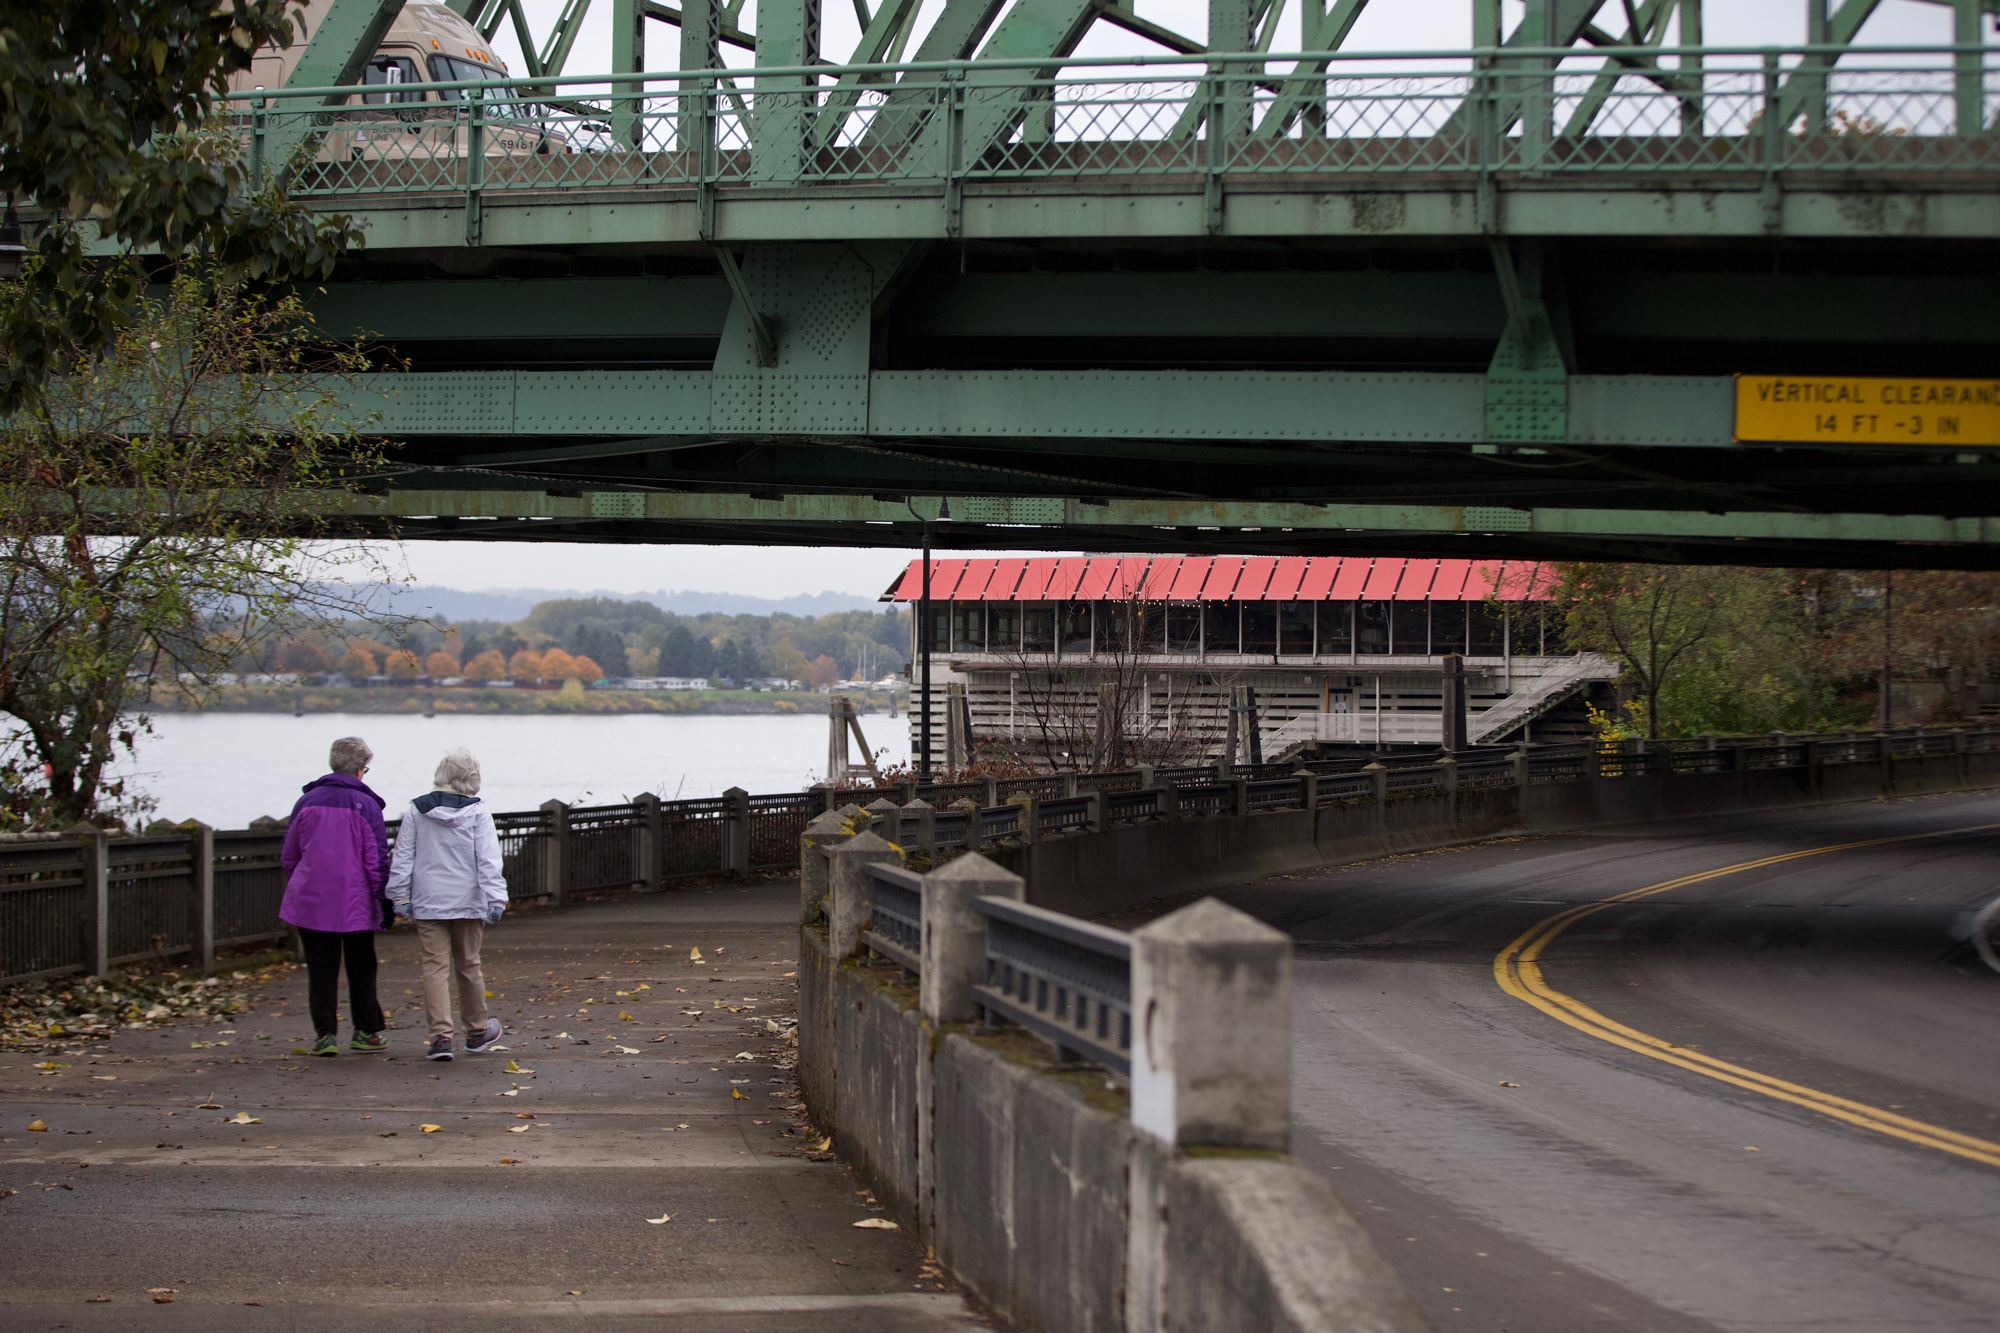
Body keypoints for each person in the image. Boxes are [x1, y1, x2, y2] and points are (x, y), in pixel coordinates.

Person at [386, 747, 509, 1062]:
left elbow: (403, 856)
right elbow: (488, 860)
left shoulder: (417, 810)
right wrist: (496, 898)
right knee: (469, 965)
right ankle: (477, 1031)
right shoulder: (478, 812)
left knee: (434, 968)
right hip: (468, 902)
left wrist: (400, 896)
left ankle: (440, 1037)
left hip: (428, 902)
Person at [279, 736, 391, 1057]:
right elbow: (376, 860)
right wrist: (383, 898)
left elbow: (290, 855)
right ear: (358, 769)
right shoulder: (367, 806)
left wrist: (304, 881)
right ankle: (366, 1031)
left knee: (321, 968)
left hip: (311, 899)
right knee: (361, 966)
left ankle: (325, 1035)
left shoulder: (306, 802)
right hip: (355, 902)